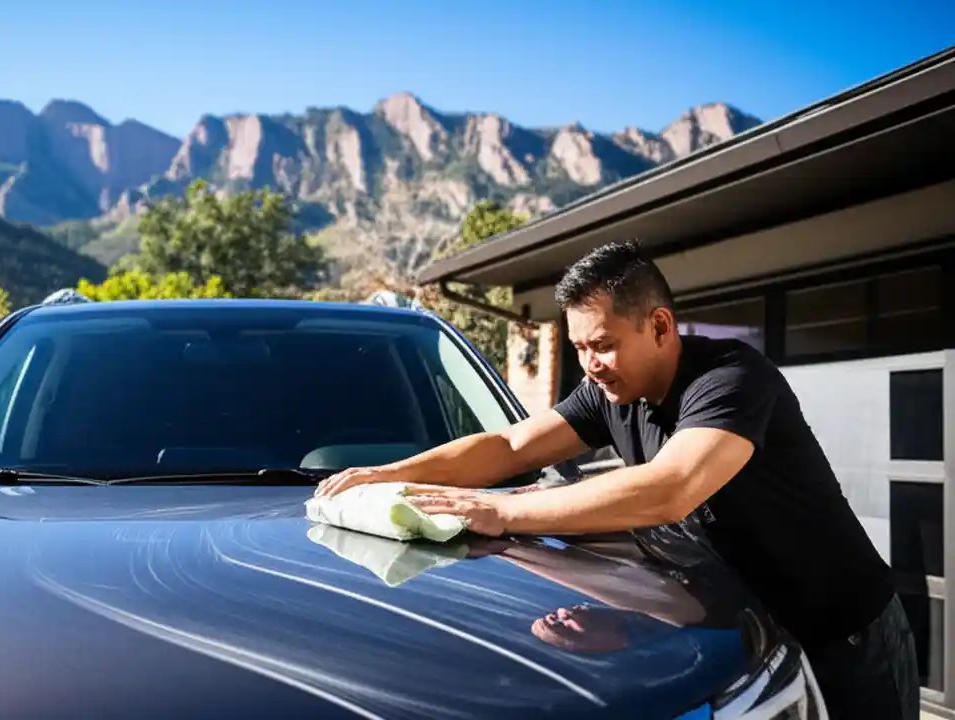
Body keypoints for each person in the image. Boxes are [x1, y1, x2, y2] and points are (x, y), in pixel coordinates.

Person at [315, 240, 919, 719]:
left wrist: (498, 511)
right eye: (579, 347)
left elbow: (669, 487)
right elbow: (509, 445)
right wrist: (389, 473)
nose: (590, 365)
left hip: (847, 633)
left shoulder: (731, 380)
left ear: (659, 326)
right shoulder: (607, 391)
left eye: (602, 345)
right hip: (749, 631)